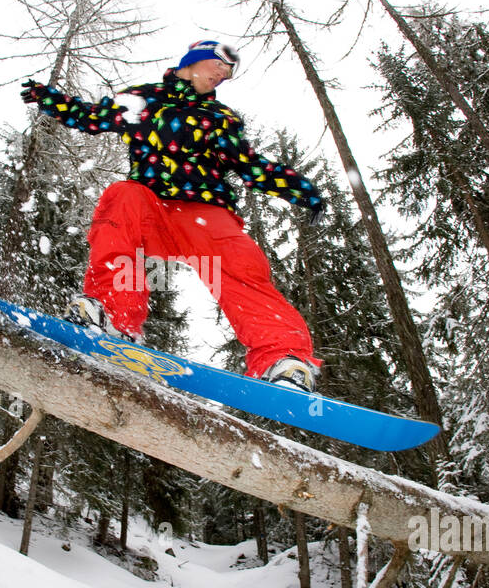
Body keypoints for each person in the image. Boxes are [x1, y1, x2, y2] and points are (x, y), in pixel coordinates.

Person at [20, 39, 325, 392]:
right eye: (217, 67)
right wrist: (51, 99)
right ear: (194, 60)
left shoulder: (220, 118)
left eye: (227, 74)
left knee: (240, 265)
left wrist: (302, 190)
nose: (221, 76)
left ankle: (284, 359)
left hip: (203, 215)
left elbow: (249, 165)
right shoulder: (142, 99)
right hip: (150, 213)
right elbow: (91, 116)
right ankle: (114, 317)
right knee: (122, 197)